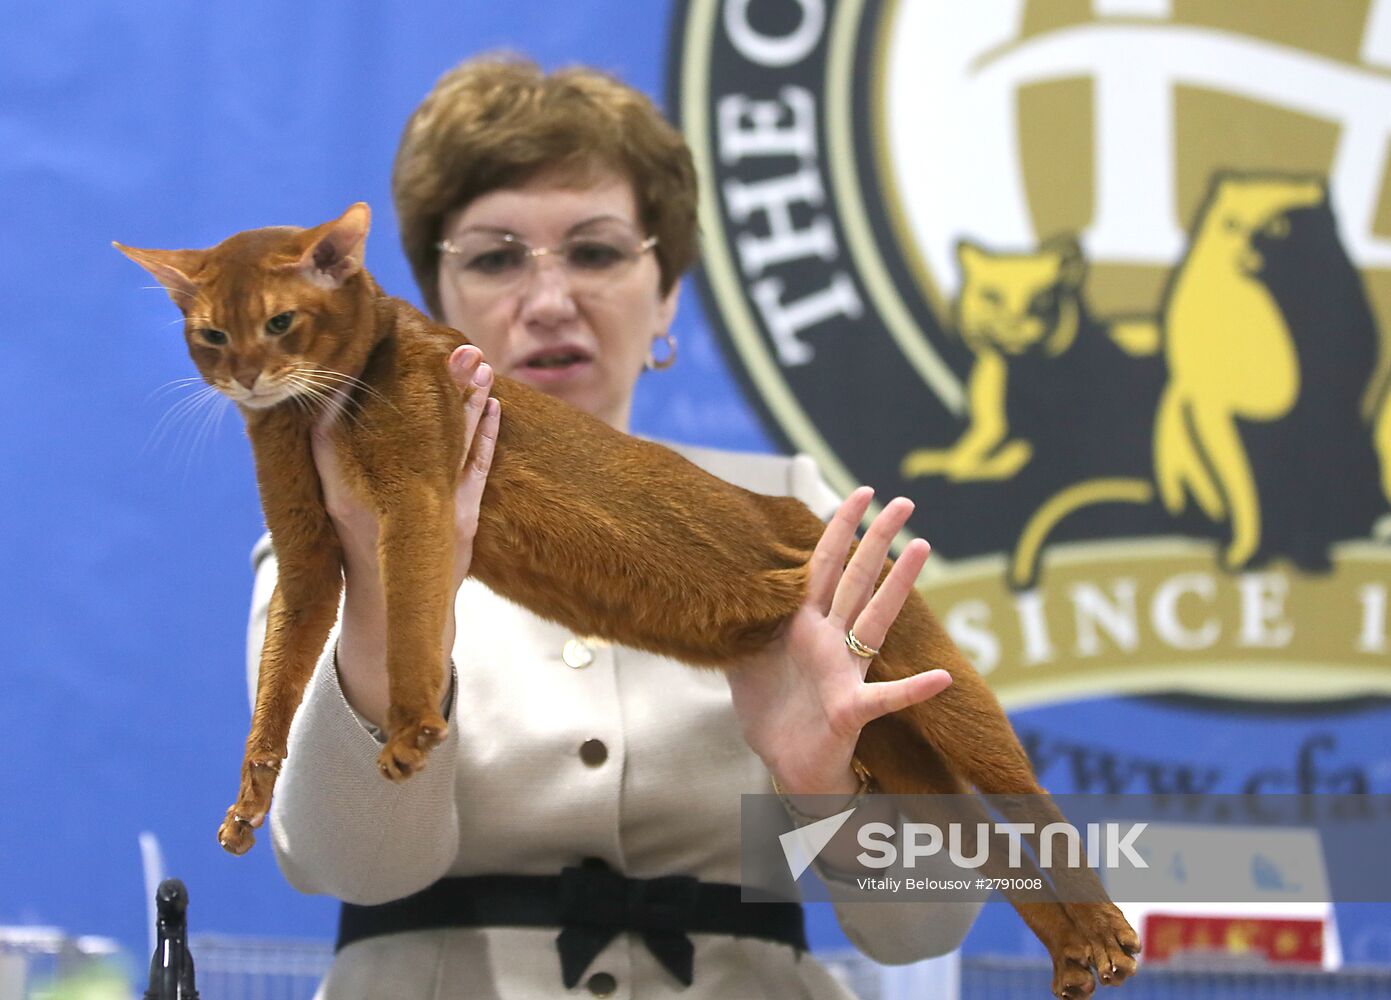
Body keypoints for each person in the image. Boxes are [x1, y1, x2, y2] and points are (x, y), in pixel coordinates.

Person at [247, 57, 981, 999]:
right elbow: (351, 868)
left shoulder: (802, 519)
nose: (549, 301)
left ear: (668, 290)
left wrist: (824, 789)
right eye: (496, 257)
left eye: (594, 253)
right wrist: (385, 595)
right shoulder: (345, 522)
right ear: (429, 302)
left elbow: (926, 919)